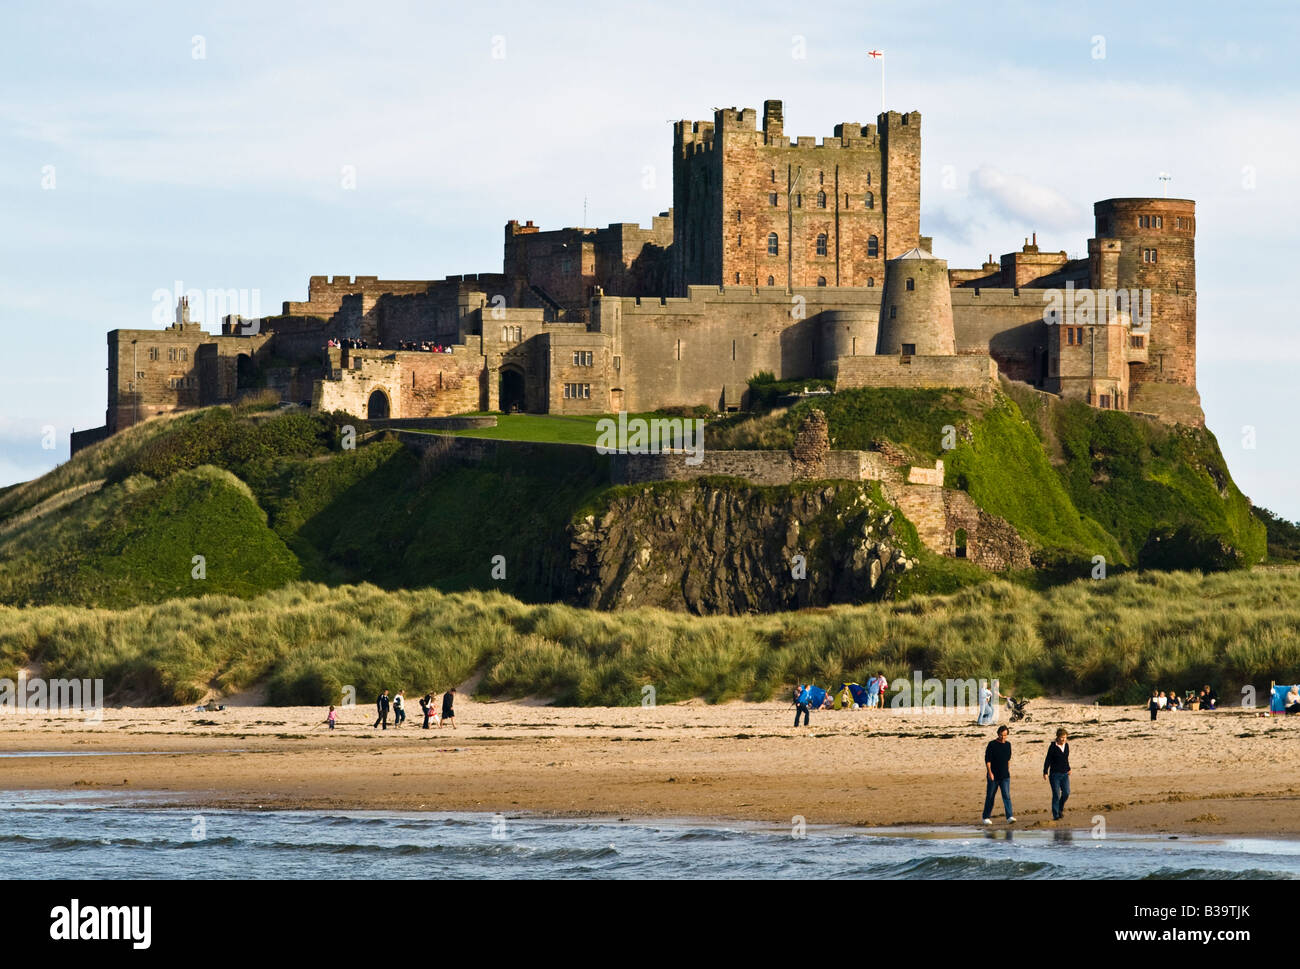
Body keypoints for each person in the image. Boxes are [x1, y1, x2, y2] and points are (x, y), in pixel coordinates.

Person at [982, 725, 1014, 825]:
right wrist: (990, 772)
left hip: (1005, 776)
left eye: (1005, 735)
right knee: (990, 796)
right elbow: (988, 760)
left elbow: (1008, 760)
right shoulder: (992, 744)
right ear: (998, 734)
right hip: (993, 776)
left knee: (1006, 796)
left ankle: (1009, 816)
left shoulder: (1008, 745)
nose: (1003, 737)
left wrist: (1007, 771)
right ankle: (986, 817)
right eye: (1001, 735)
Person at [1043, 728, 1071, 820]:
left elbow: (1065, 759)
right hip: (1055, 775)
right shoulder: (1053, 746)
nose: (1064, 739)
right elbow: (1048, 760)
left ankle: (1060, 808)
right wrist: (1045, 772)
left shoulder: (1066, 746)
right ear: (1058, 737)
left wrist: (1069, 768)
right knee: (1056, 794)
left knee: (1066, 793)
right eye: (1062, 737)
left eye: (1065, 737)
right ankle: (1056, 815)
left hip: (1065, 774)